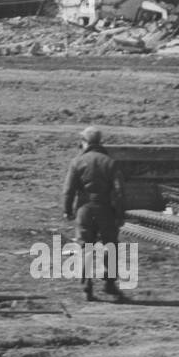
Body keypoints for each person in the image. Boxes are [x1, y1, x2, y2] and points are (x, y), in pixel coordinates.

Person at [62, 126, 126, 301]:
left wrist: (67, 210)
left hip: (84, 209)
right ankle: (110, 285)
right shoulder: (110, 162)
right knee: (110, 246)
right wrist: (120, 214)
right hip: (106, 209)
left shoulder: (77, 162)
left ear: (84, 142)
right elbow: (119, 191)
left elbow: (69, 190)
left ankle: (87, 287)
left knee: (85, 247)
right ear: (100, 142)